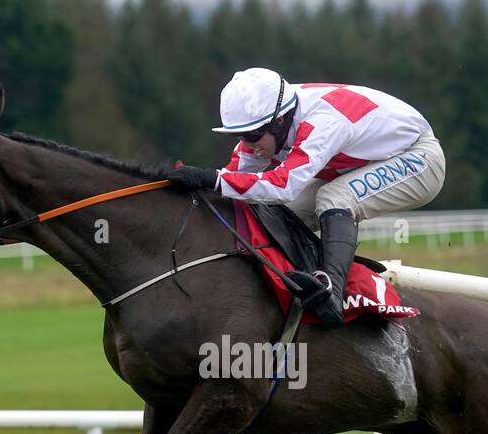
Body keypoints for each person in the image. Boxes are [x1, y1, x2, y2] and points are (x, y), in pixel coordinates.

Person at [166, 67, 446, 325]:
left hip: (418, 158)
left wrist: (211, 178)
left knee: (334, 198)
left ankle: (332, 292)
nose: (248, 144)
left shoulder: (322, 121)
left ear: (278, 121)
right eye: (241, 136)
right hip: (365, 161)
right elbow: (234, 181)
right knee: (279, 212)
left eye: (252, 135)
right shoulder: (270, 122)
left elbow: (282, 185)